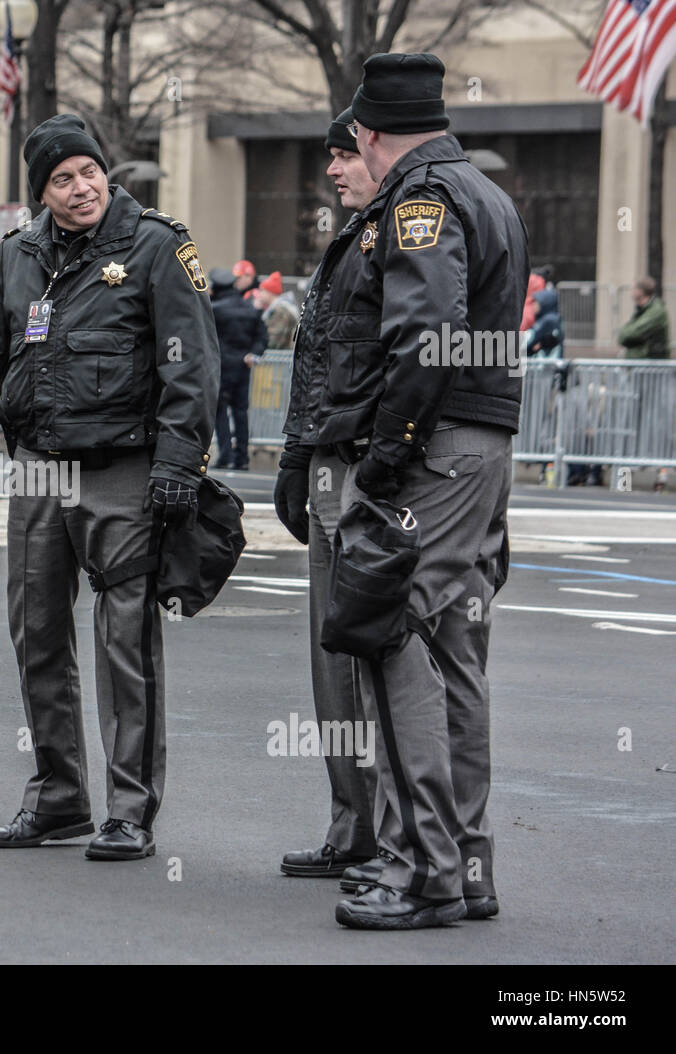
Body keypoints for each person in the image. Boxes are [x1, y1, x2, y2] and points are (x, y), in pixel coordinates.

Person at [0, 114, 219, 860]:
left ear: (106, 171)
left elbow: (191, 366)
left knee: (124, 642)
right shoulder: (18, 254)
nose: (80, 188)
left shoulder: (157, 244)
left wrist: (177, 466)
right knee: (36, 633)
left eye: (89, 172)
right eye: (62, 179)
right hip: (37, 468)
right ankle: (59, 797)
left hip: (122, 469)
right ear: (42, 192)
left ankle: (130, 810)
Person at [322, 53, 527, 930]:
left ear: (369, 132)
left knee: (392, 633)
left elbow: (425, 338)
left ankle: (422, 869)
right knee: (454, 650)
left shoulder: (419, 198)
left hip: (432, 448)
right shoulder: (487, 192)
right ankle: (466, 862)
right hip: (480, 442)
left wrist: (386, 457)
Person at [273, 107, 382, 884]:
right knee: (330, 663)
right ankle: (352, 824)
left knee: (378, 661)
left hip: (369, 469)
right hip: (326, 466)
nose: (334, 171)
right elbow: (314, 362)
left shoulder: (403, 231)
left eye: (345, 156)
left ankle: (400, 836)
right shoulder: (347, 240)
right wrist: (294, 456)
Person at [208, 266, 267, 470]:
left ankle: (226, 455)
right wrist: (253, 354)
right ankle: (242, 457)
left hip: (221, 367)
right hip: (243, 366)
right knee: (241, 412)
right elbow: (262, 337)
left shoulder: (214, 310)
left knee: (220, 412)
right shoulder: (250, 309)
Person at [618, 276, 669, 359]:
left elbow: (629, 334)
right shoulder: (643, 309)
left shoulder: (655, 311)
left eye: (634, 288)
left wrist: (625, 335)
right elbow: (623, 335)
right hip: (641, 365)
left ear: (640, 291)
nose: (632, 291)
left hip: (651, 367)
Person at [252, 270, 299, 350]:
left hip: (282, 358)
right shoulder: (278, 309)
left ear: (270, 292)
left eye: (262, 290)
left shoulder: (280, 311)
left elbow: (274, 342)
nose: (259, 294)